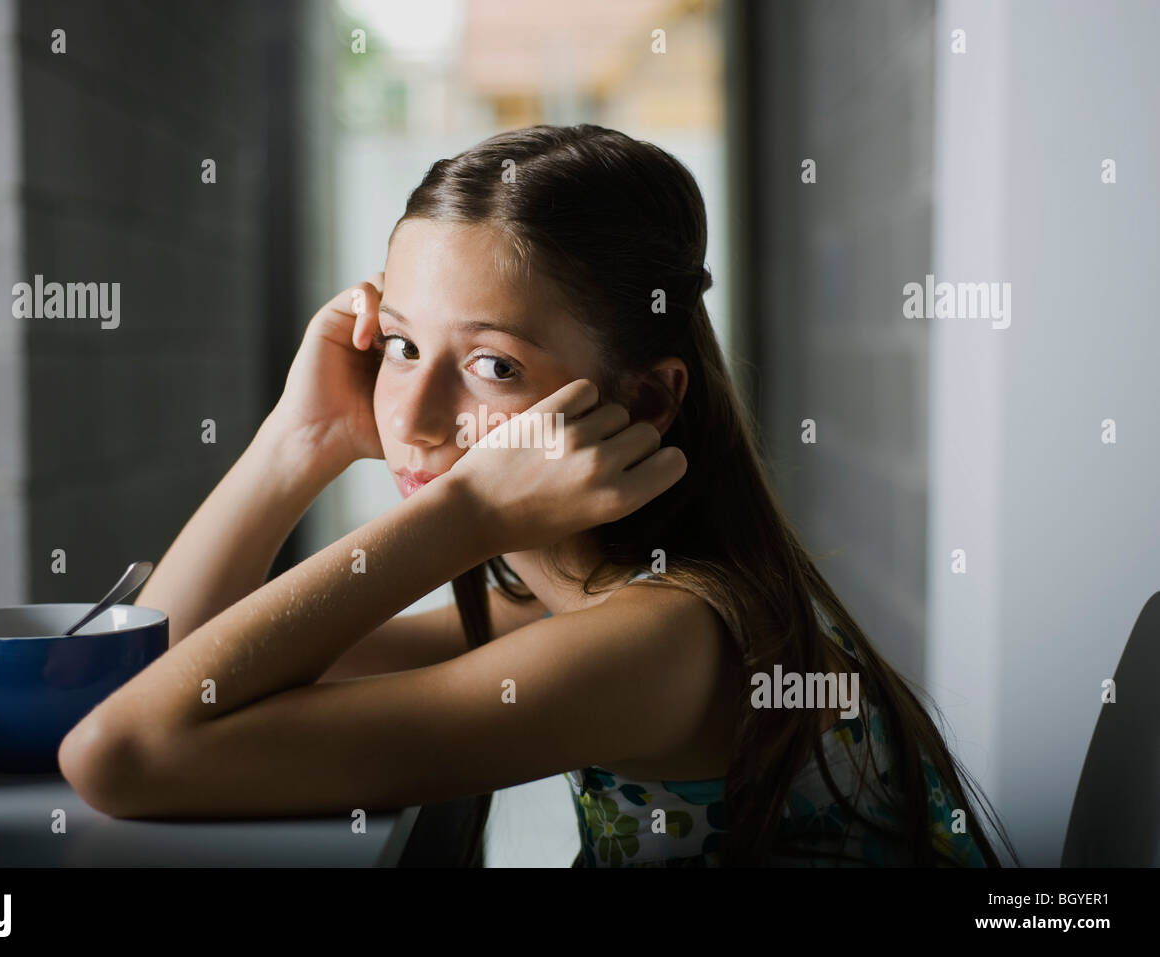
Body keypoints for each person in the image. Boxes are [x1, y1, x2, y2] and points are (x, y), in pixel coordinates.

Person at [58, 123, 1020, 868]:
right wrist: (292, 443)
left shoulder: (667, 638)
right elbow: (155, 671)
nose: (417, 413)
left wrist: (464, 513)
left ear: (643, 400)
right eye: (399, 344)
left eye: (490, 363)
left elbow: (121, 752)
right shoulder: (554, 601)